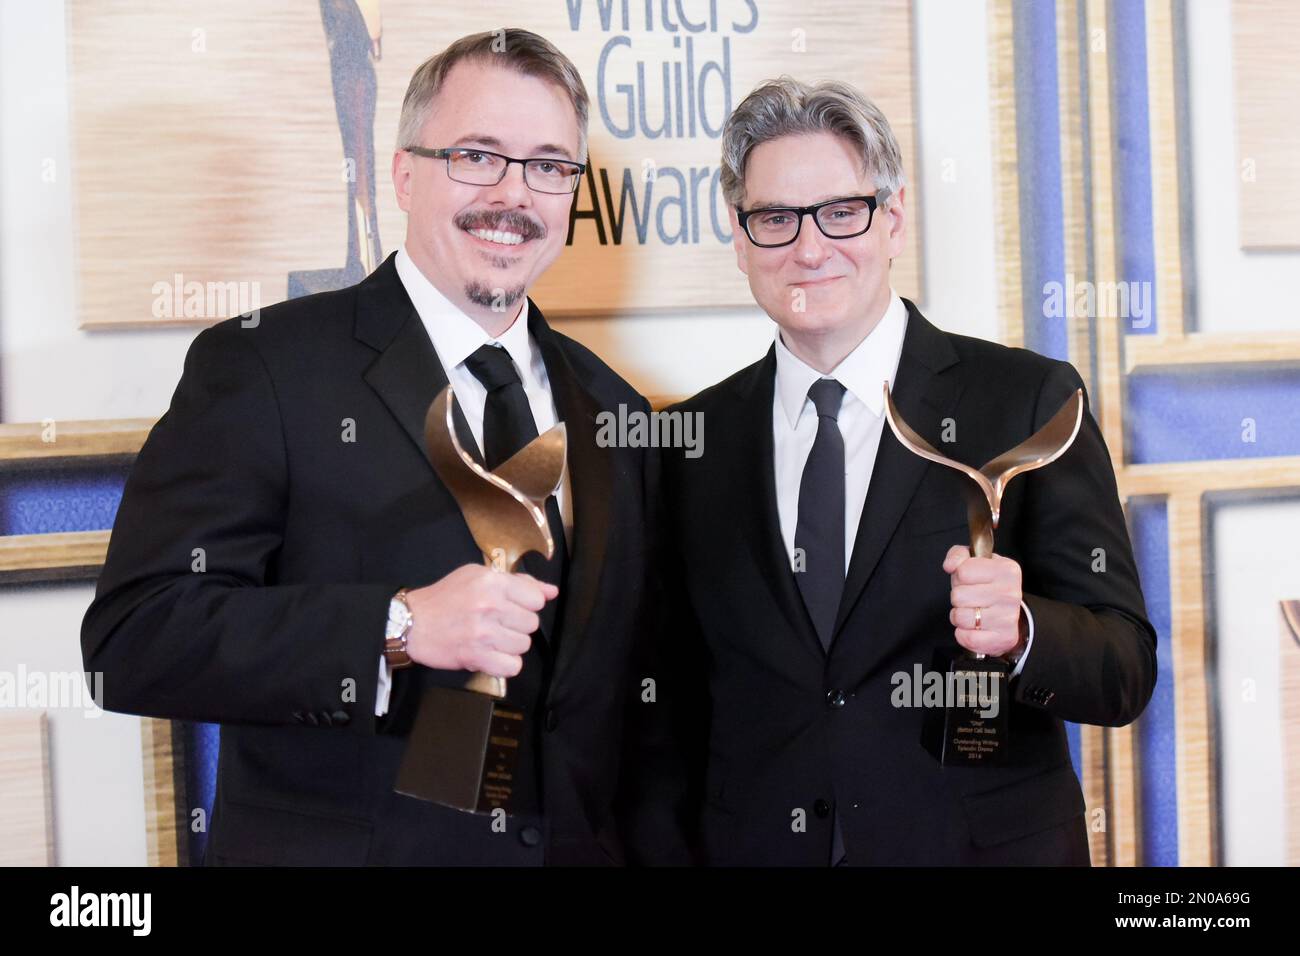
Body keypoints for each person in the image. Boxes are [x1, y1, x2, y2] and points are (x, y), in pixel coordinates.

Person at [82, 28, 683, 866]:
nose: (515, 194)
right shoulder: (266, 365)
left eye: (549, 165)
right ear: (404, 173)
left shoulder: (614, 406)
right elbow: (134, 642)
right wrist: (396, 626)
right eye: (478, 155)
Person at [659, 77, 1157, 865]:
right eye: (776, 219)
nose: (810, 247)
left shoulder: (1026, 400)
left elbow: (1125, 668)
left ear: (892, 218)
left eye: (841, 211)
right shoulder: (688, 442)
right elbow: (672, 706)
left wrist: (1026, 630)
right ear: (738, 232)